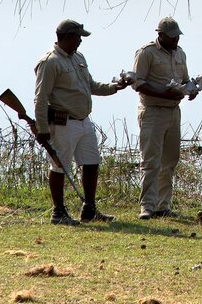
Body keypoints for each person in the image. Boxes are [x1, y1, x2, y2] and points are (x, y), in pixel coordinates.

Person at [31, 18, 129, 225]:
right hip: (63, 123)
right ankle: (58, 212)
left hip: (84, 121)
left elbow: (90, 85)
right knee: (60, 167)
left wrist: (114, 87)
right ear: (67, 37)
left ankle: (89, 209)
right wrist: (42, 129)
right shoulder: (49, 62)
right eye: (78, 37)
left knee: (91, 163)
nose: (80, 41)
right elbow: (40, 98)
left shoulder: (78, 57)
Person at [131, 15, 202, 220]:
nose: (175, 40)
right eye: (171, 37)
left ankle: (163, 205)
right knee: (150, 160)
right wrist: (164, 94)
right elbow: (138, 83)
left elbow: (185, 79)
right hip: (152, 111)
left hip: (173, 112)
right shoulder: (146, 53)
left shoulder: (180, 53)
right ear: (160, 35)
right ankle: (147, 206)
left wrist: (192, 90)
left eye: (177, 36)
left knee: (170, 160)